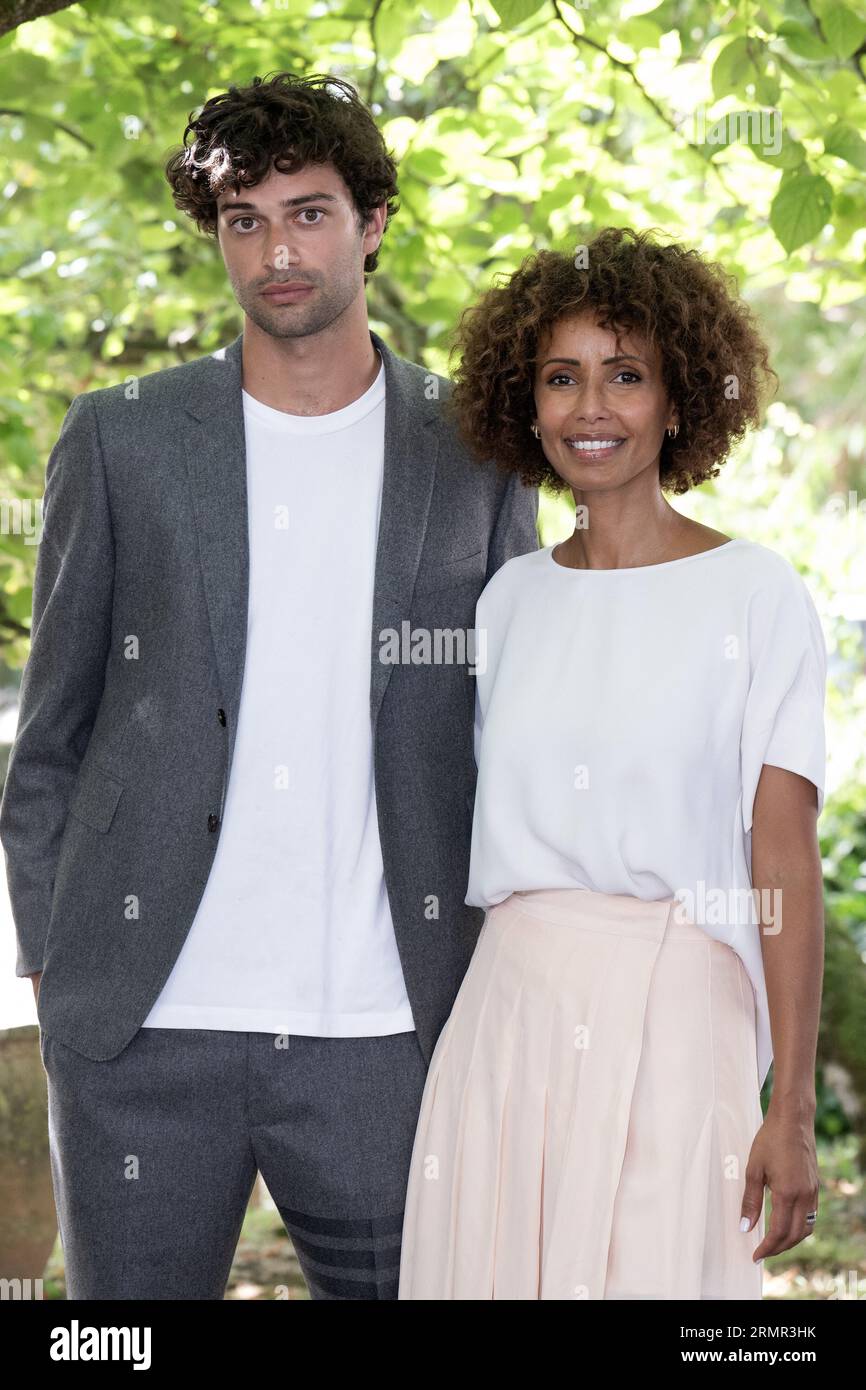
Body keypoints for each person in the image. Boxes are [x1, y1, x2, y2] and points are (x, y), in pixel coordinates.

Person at [0, 71, 538, 1301]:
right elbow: (52, 734)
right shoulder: (121, 437)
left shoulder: (475, 449)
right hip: (145, 1026)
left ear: (372, 222)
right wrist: (58, 962)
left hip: (387, 1027)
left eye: (306, 212)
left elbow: (514, 718)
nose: (276, 250)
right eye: (244, 221)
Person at [398, 227, 826, 1300]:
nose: (590, 407)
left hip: (681, 1014)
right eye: (560, 378)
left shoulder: (754, 593)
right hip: (506, 1018)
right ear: (524, 402)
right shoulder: (507, 602)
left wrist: (792, 1108)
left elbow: (780, 862)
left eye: (623, 375)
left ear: (677, 400)